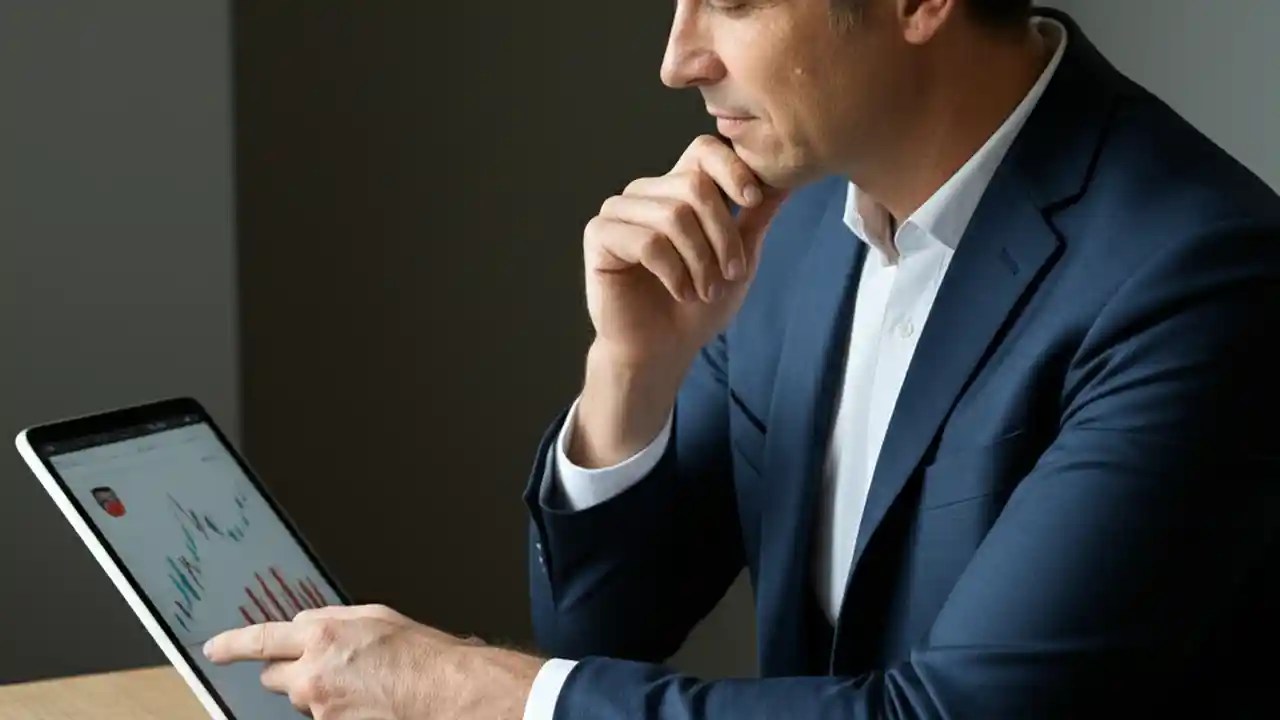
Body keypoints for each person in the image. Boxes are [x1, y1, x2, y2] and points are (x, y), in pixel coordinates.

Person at [203, 0, 1280, 717]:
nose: (678, 59)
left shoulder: (1196, 277)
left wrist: (471, 691)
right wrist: (630, 371)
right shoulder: (804, 225)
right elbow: (601, 630)